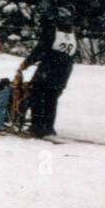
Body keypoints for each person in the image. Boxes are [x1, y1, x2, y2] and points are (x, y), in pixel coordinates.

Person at [20, 10, 76, 138]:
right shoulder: (71, 32)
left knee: (36, 95)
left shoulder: (51, 28)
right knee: (52, 98)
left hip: (50, 67)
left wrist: (27, 63)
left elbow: (41, 49)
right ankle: (48, 127)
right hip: (65, 69)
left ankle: (37, 127)